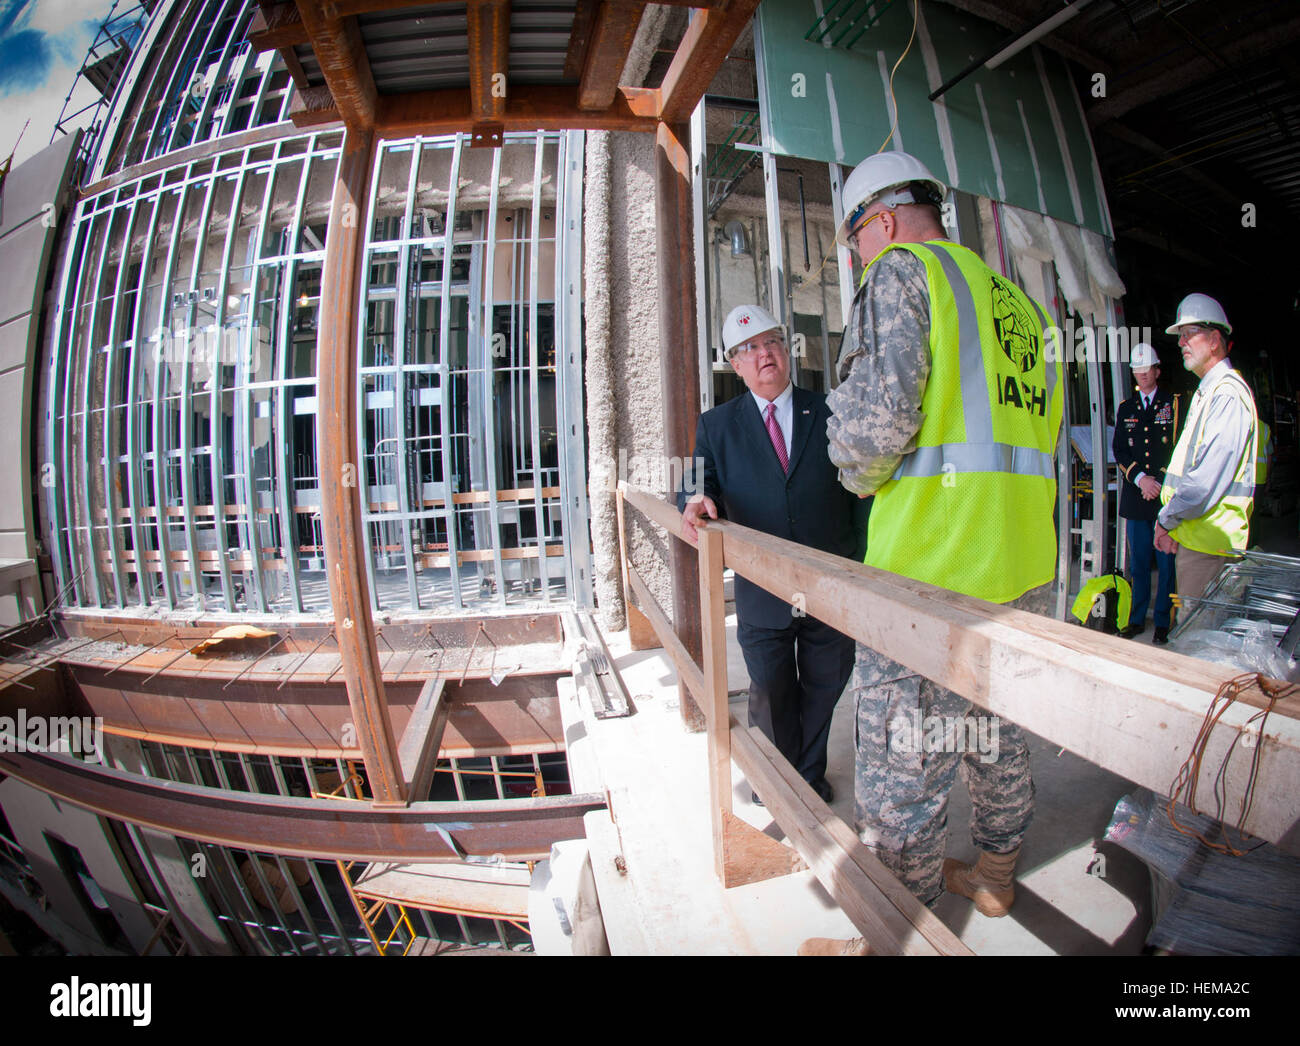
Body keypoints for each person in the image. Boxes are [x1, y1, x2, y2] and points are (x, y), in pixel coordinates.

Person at [824, 150, 1063, 916]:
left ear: (883, 221)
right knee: (1001, 738)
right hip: (1022, 568)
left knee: (902, 773)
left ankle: (906, 925)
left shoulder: (901, 272)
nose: (859, 254)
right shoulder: (1019, 306)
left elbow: (870, 435)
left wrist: (851, 473)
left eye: (856, 236)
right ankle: (995, 877)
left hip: (932, 574)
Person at [679, 304, 867, 804]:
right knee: (770, 690)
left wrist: (863, 563)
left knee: (826, 684)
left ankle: (804, 777)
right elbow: (698, 480)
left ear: (786, 350)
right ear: (734, 365)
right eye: (748, 349)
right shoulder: (717, 425)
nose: (763, 354)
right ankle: (781, 781)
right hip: (761, 587)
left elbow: (859, 492)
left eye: (771, 342)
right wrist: (694, 500)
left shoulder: (830, 410)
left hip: (830, 580)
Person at [1155, 293, 1258, 602]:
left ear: (1214, 340)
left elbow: (1203, 483)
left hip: (1210, 549)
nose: (1181, 342)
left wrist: (1166, 519)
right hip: (1200, 541)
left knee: (1198, 643)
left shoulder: (1226, 394)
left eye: (1189, 333)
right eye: (1180, 336)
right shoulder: (1210, 392)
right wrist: (1177, 529)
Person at [1113, 342, 1179, 645]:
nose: (1141, 373)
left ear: (1156, 371)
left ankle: (1163, 621)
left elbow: (1179, 449)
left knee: (1166, 563)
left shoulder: (1173, 404)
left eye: (1146, 368)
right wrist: (1140, 479)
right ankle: (1137, 619)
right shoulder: (1126, 408)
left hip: (1164, 498)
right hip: (1137, 497)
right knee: (1139, 562)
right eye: (1136, 369)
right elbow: (1120, 449)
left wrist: (1159, 482)